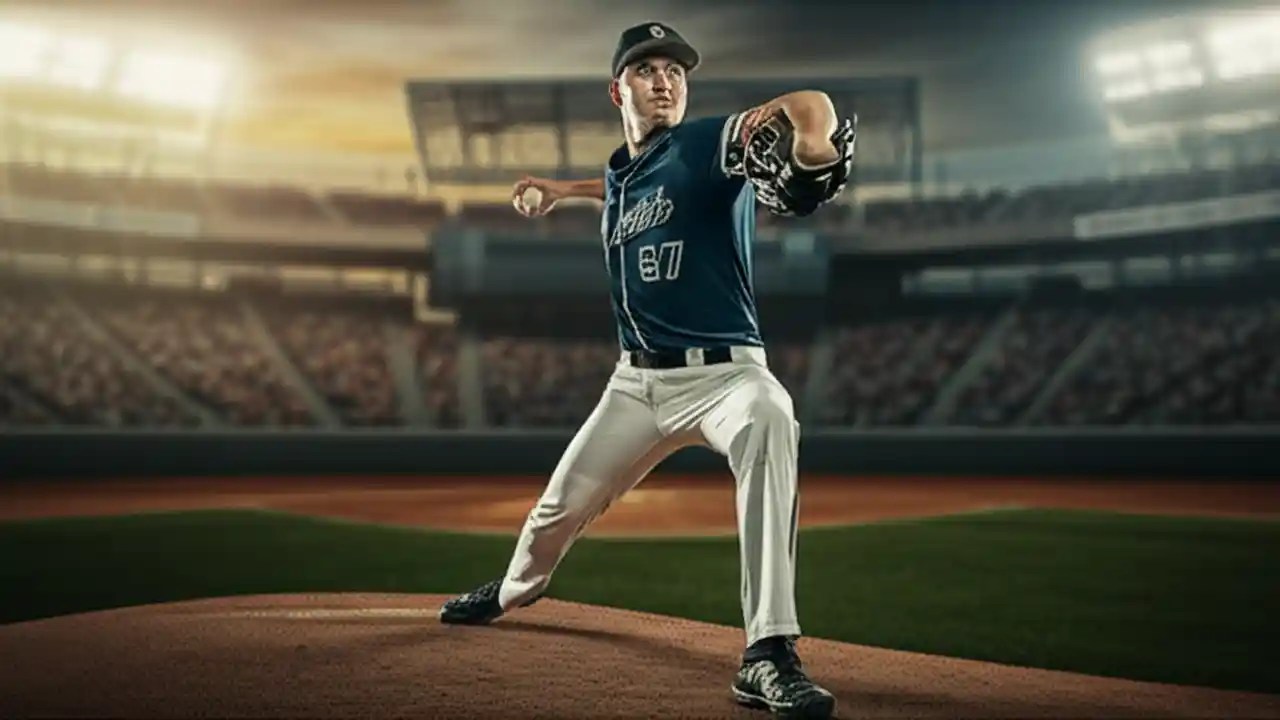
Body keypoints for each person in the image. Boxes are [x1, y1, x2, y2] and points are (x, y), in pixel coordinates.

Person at [439, 20, 855, 719]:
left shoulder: (706, 145)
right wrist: (559, 190)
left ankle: (769, 652)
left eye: (675, 71)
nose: (665, 80)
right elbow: (617, 183)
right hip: (634, 385)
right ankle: (512, 590)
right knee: (555, 509)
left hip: (726, 377)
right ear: (617, 89)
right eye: (647, 69)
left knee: (770, 419)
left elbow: (806, 102)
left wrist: (811, 142)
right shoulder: (622, 170)